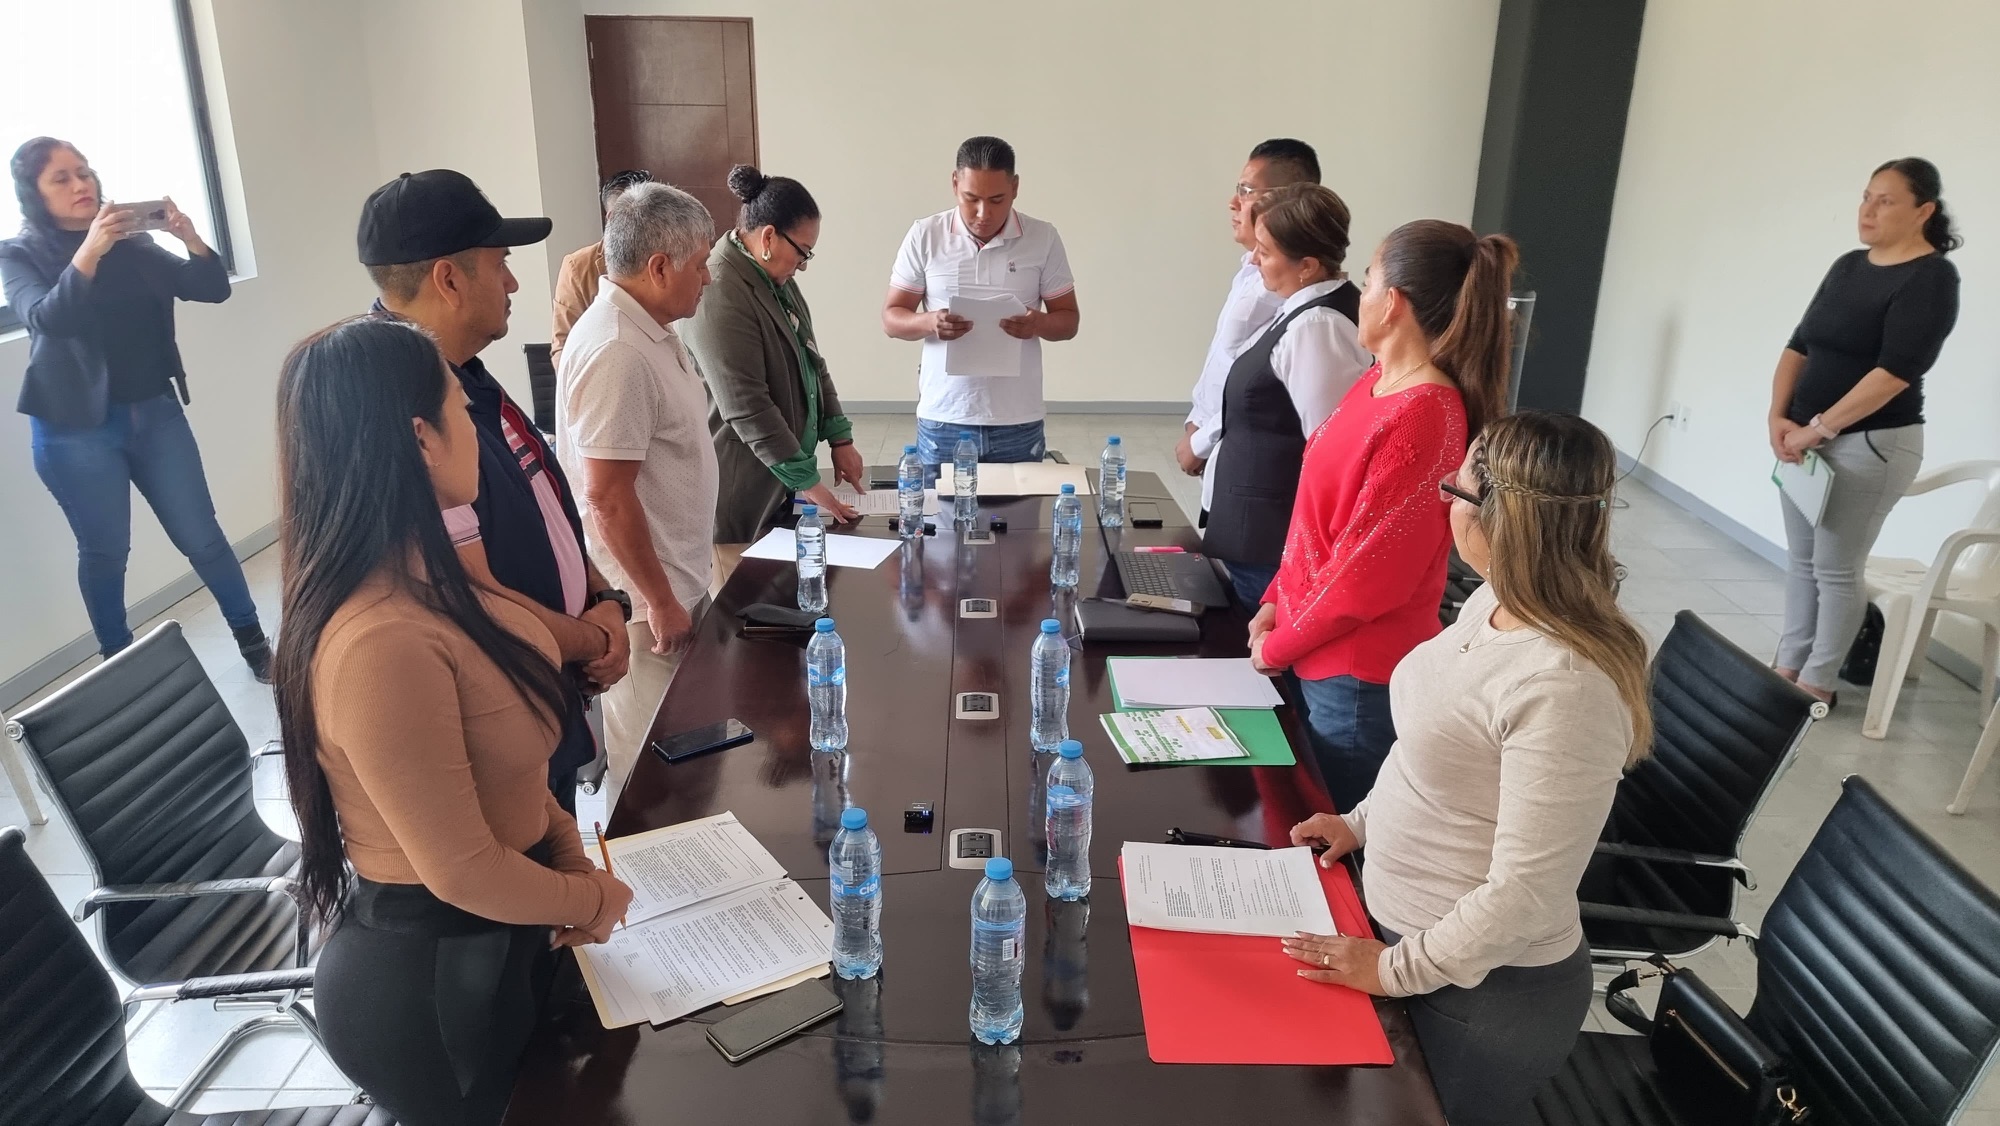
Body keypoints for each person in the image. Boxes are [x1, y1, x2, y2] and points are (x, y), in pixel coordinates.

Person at [271, 317, 633, 1126]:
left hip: (506, 939)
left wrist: (573, 862)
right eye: (463, 413)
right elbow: (461, 869)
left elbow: (513, 774)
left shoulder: (440, 585)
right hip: (434, 992)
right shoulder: (380, 641)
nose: (479, 432)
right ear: (421, 439)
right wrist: (587, 899)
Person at [1285, 411, 1652, 1126]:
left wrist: (1392, 970)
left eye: (1453, 490)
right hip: (1402, 939)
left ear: (1501, 516)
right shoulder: (1497, 598)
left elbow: (1525, 896)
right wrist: (1362, 822)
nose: (1444, 503)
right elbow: (1434, 740)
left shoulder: (1564, 684)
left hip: (1475, 995)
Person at [359, 169, 630, 810]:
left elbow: (544, 506)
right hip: (501, 708)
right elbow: (470, 593)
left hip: (547, 683)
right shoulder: (405, 409)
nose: (512, 283)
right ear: (449, 280)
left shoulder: (466, 375)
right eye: (500, 263)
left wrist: (604, 597)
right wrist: (592, 640)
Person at [1249, 220, 1515, 810]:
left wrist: (1278, 646)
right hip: (1309, 645)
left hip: (1354, 681)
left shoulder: (1426, 414)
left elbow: (1368, 580)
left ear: (1392, 302)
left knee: (1341, 842)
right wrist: (1274, 599)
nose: (1360, 292)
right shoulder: (1377, 380)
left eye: (1367, 280)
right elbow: (1314, 519)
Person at [1, 137, 271, 677]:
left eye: (84, 172)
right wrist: (90, 251)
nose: (81, 184)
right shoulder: (18, 254)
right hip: (73, 432)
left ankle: (253, 642)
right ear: (34, 193)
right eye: (61, 178)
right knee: (106, 552)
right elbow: (48, 318)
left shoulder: (133, 244)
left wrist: (190, 238)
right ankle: (120, 666)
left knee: (203, 536)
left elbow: (210, 288)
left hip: (155, 414)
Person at [1768, 157, 1961, 706]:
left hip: (1870, 444)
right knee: (1802, 561)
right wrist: (1778, 417)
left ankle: (1817, 684)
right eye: (1866, 197)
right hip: (1802, 442)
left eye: (1886, 201)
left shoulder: (1931, 278)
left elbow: (1895, 373)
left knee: (1835, 568)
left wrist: (1818, 429)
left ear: (1923, 211)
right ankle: (1786, 667)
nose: (1868, 210)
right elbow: (1799, 344)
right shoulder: (1849, 265)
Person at [555, 182, 720, 801]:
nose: (708, 277)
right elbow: (607, 496)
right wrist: (659, 600)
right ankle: (651, 861)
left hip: (676, 579)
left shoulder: (650, 327)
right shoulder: (618, 350)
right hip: (649, 601)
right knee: (651, 768)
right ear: (660, 267)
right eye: (700, 264)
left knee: (689, 749)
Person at [1201, 182, 1371, 608]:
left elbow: (1328, 449)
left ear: (1308, 265)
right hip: (1257, 533)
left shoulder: (1317, 327)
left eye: (1265, 252)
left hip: (1270, 542)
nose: (1254, 260)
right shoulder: (1301, 307)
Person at [682, 164, 865, 553]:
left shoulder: (775, 278)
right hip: (742, 484)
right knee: (744, 583)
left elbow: (813, 362)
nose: (804, 265)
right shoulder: (720, 289)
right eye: (802, 252)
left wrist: (840, 436)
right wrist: (807, 479)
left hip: (782, 473)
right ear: (768, 237)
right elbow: (745, 404)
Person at [882, 136, 1079, 469]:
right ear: (954, 183)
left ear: (1015, 188)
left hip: (1018, 419)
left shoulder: (1043, 238)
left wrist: (1039, 323)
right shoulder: (926, 235)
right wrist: (930, 322)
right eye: (971, 198)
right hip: (944, 417)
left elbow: (1068, 321)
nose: (983, 213)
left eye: (997, 200)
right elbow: (891, 318)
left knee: (1021, 506)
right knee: (938, 505)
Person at [1179, 139, 1319, 501]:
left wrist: (1201, 440)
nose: (1233, 202)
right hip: (1215, 449)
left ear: (1286, 199)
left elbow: (1259, 392)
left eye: (1246, 191)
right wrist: (1196, 420)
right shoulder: (1249, 272)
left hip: (1246, 462)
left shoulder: (1289, 291)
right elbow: (1223, 363)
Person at [551, 168, 652, 371]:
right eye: (639, 214)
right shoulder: (578, 267)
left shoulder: (668, 257)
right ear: (612, 217)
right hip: (605, 374)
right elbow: (563, 346)